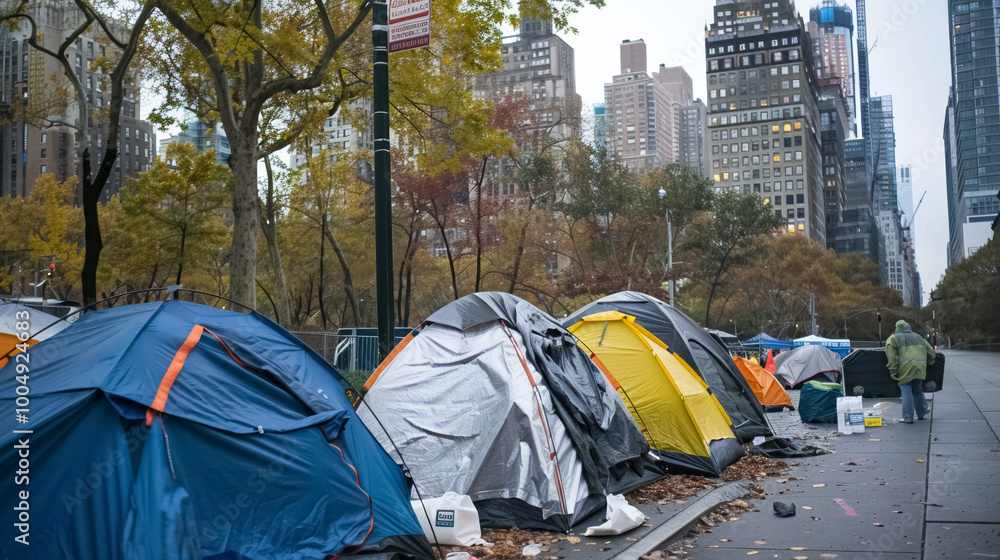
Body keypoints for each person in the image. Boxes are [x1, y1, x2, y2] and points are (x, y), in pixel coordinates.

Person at [885, 320, 936, 424]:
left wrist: (893, 371)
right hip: (920, 367)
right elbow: (931, 351)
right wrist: (930, 362)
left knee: (906, 391)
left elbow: (892, 357)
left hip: (905, 368)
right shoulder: (919, 337)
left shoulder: (893, 338)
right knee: (917, 389)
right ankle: (921, 412)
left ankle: (908, 417)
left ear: (897, 328)